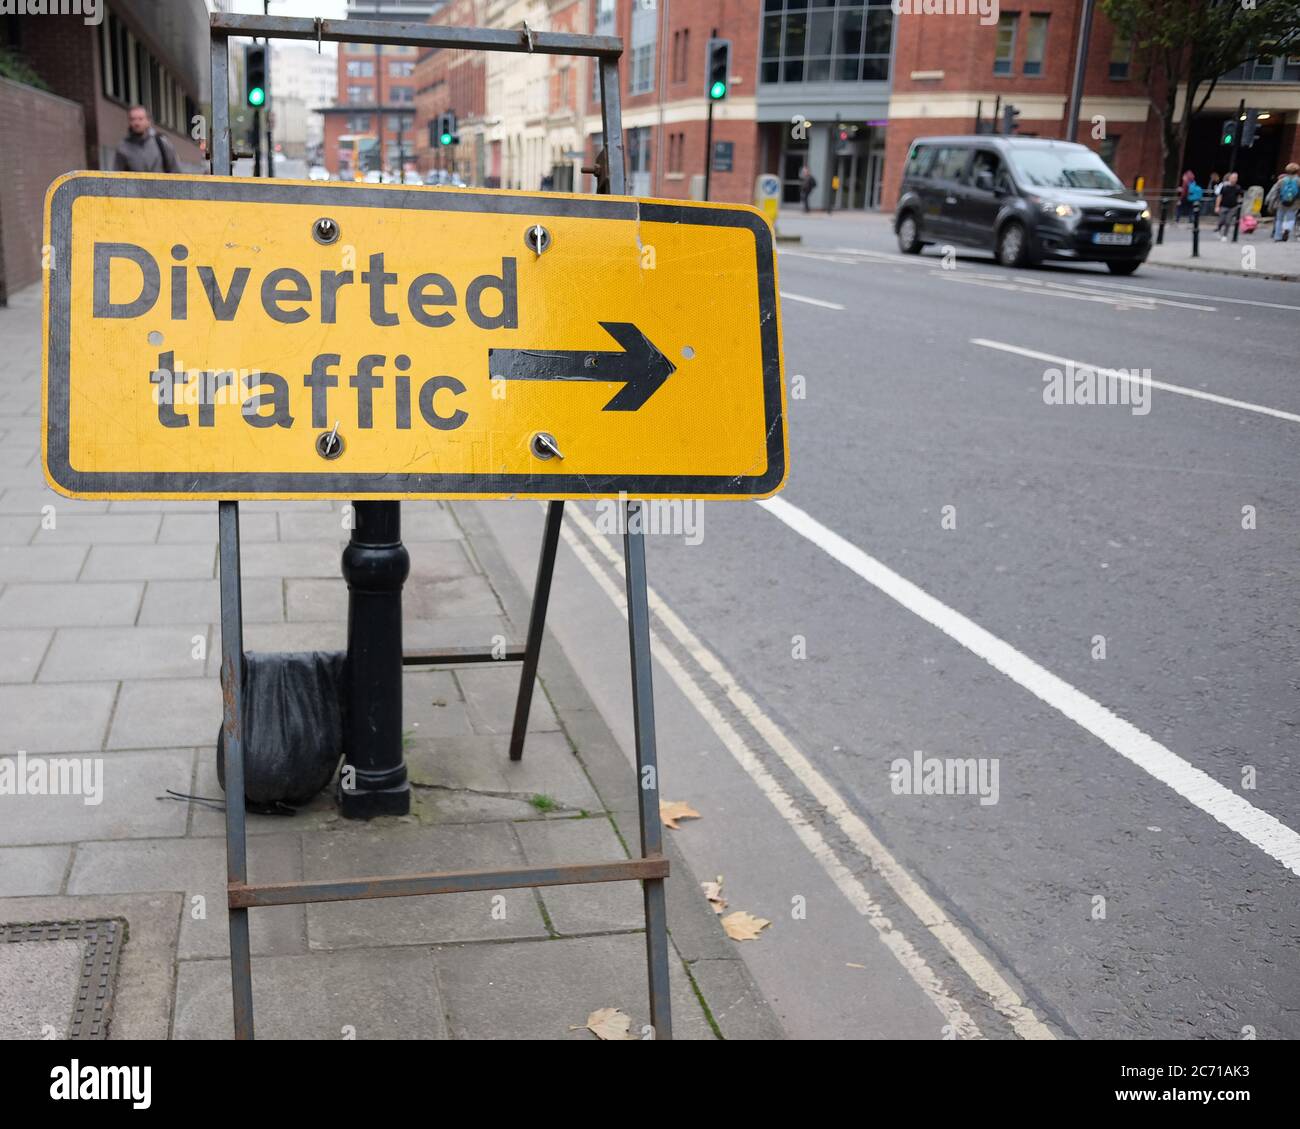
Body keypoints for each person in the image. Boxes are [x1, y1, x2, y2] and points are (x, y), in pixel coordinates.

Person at [113, 105, 180, 173]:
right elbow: (117, 175)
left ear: (148, 121)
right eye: (133, 119)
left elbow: (175, 170)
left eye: (140, 119)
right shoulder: (123, 147)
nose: (136, 123)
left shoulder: (161, 142)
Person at [1265, 162, 1300, 242]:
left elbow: (1275, 191)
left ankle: (1277, 237)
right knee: (1291, 219)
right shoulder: (1298, 181)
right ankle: (1287, 229)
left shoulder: (1281, 181)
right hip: (1294, 203)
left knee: (1279, 220)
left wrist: (1269, 200)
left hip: (1281, 203)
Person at [1215, 171, 1242, 240]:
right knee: (1221, 220)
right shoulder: (1224, 187)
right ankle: (1219, 228)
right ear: (1229, 178)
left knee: (1228, 221)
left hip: (1233, 207)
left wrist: (1238, 204)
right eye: (1233, 177)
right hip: (1223, 206)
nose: (1234, 179)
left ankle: (1225, 235)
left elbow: (1239, 196)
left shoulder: (1238, 188)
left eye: (1235, 178)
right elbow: (1219, 196)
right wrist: (1217, 206)